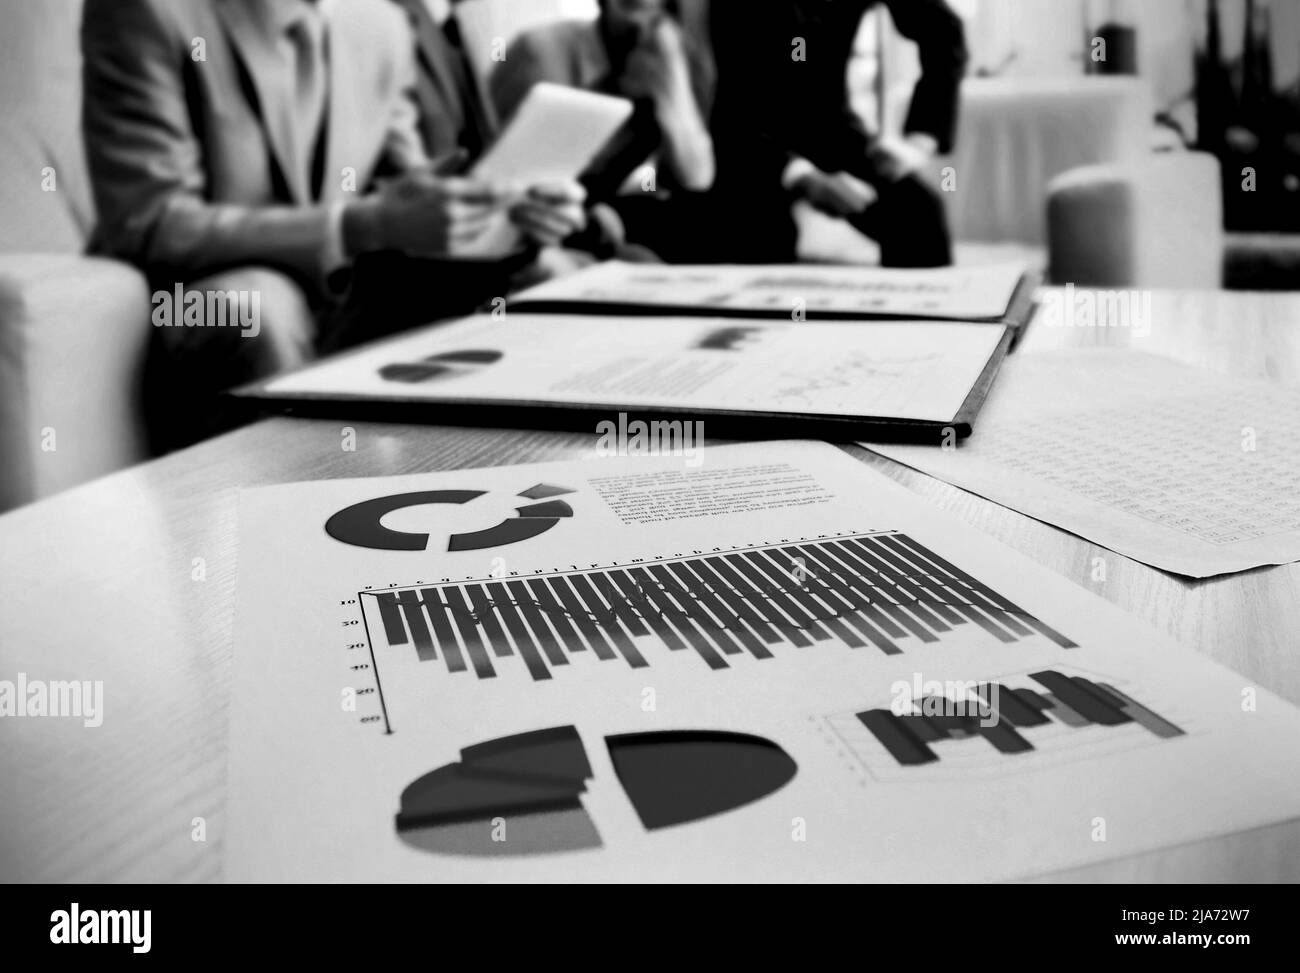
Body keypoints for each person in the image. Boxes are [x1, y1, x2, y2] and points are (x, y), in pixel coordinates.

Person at [82, 0, 586, 449]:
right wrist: (359, 226)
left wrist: (504, 211)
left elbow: (405, 187)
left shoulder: (380, 23)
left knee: (546, 278)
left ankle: (501, 508)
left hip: (345, 291)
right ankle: (279, 535)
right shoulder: (145, 11)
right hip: (187, 299)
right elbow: (151, 222)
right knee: (256, 307)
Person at [488, 0, 756, 263]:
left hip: (592, 224)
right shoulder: (541, 52)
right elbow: (501, 179)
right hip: (528, 233)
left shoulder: (672, 55)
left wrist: (672, 89)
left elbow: (696, 178)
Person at [710, 0, 968, 267]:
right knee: (762, 238)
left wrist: (921, 140)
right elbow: (732, 104)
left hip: (829, 127)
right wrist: (804, 177)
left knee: (918, 216)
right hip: (743, 136)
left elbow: (943, 30)